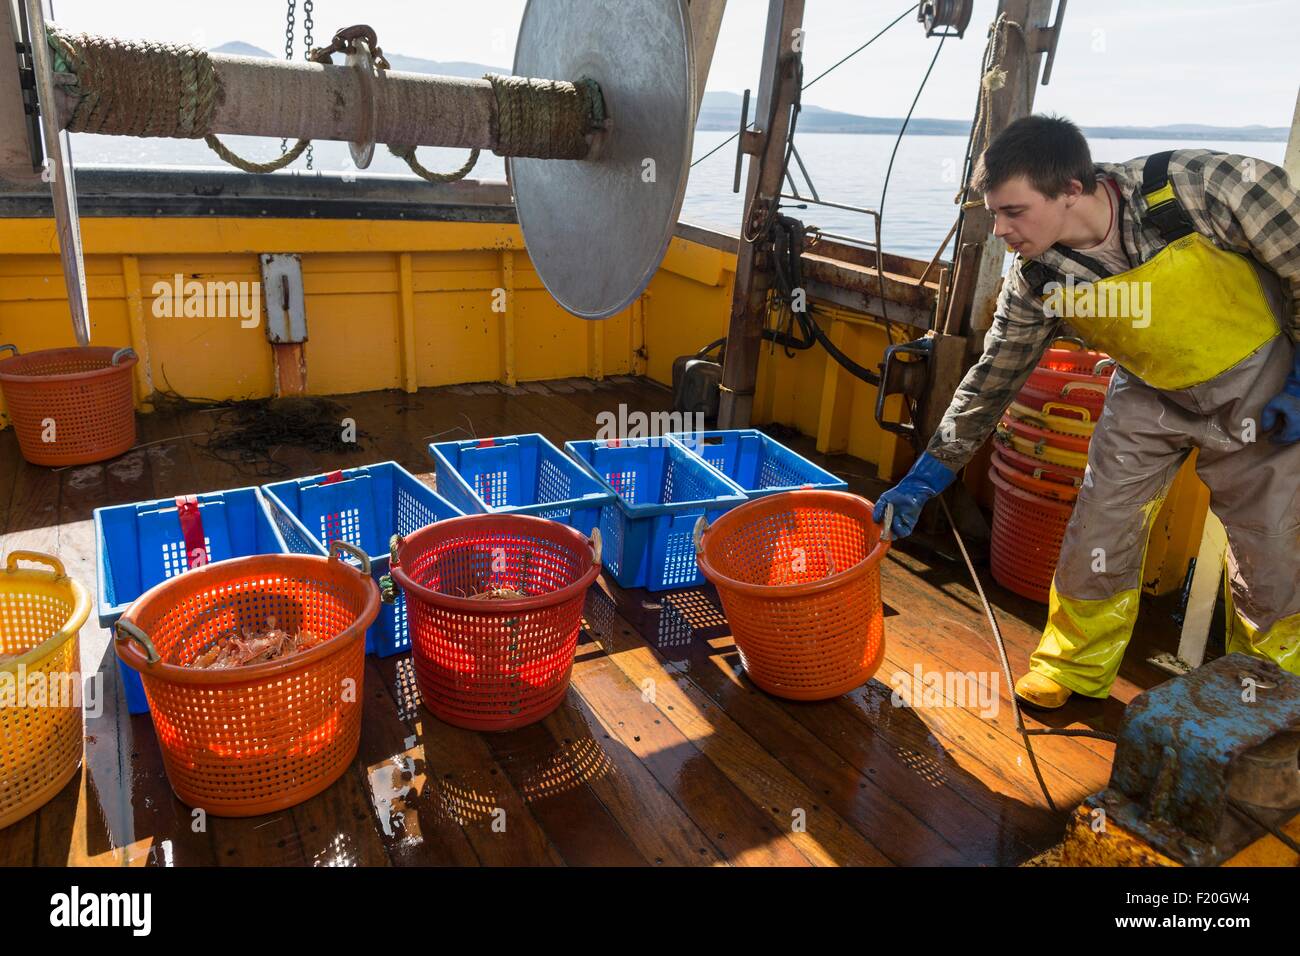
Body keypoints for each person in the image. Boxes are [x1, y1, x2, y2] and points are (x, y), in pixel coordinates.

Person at [873, 114, 1300, 709]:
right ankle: (1073, 664)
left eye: (1013, 212)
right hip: (1149, 391)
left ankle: (1270, 695)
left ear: (1073, 189)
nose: (1000, 230)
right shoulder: (1037, 277)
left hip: (1266, 387)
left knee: (1273, 549)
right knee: (1099, 529)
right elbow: (993, 377)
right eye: (993, 213)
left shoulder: (1205, 187)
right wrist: (930, 471)